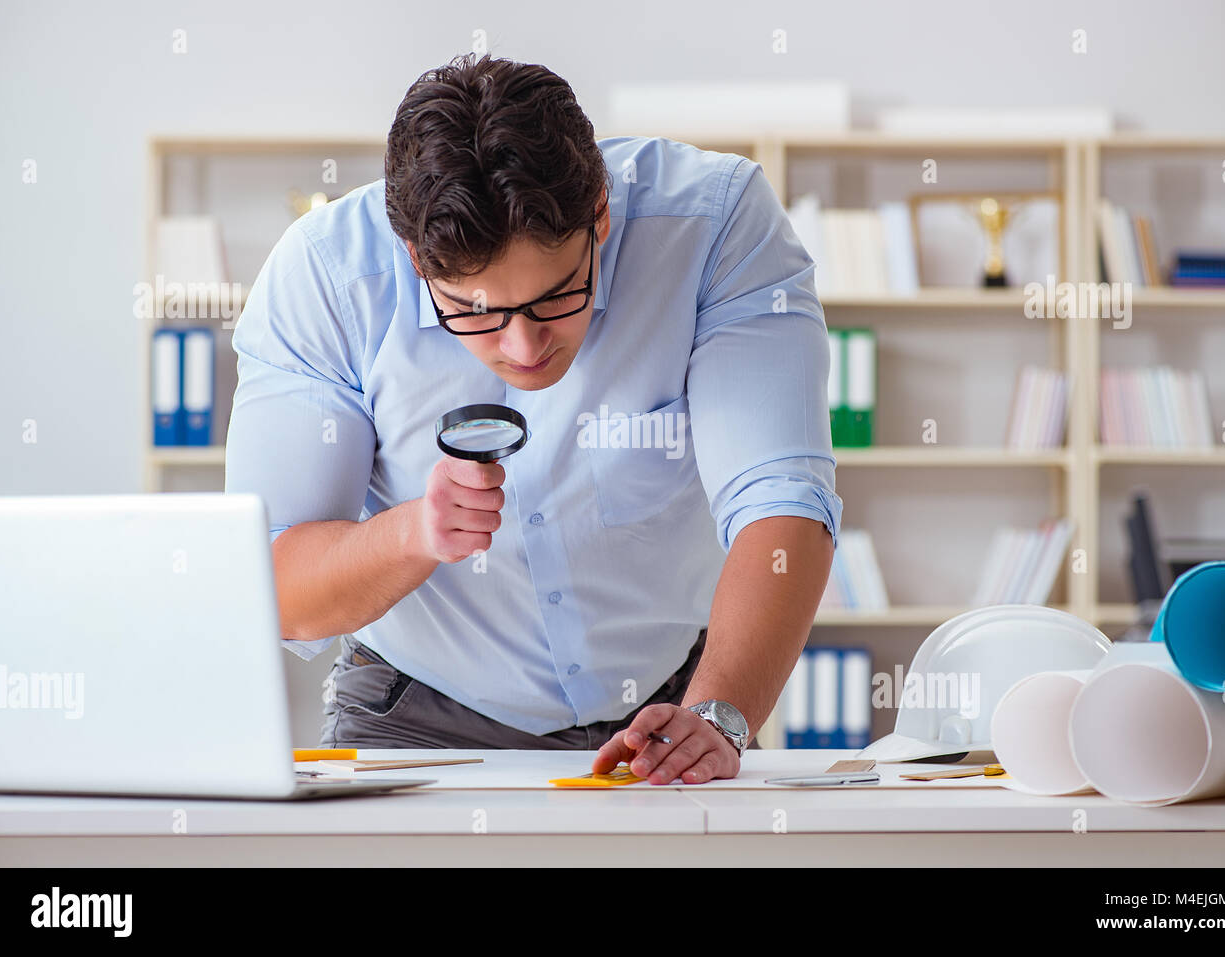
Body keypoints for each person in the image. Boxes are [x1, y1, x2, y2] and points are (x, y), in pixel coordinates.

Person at [225, 52, 842, 785]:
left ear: (601, 216)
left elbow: (783, 502)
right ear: (419, 260)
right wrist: (417, 531)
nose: (524, 347)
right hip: (413, 712)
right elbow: (277, 587)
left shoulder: (714, 228)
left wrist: (719, 717)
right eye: (479, 313)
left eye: (555, 297)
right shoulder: (326, 277)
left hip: (673, 707)